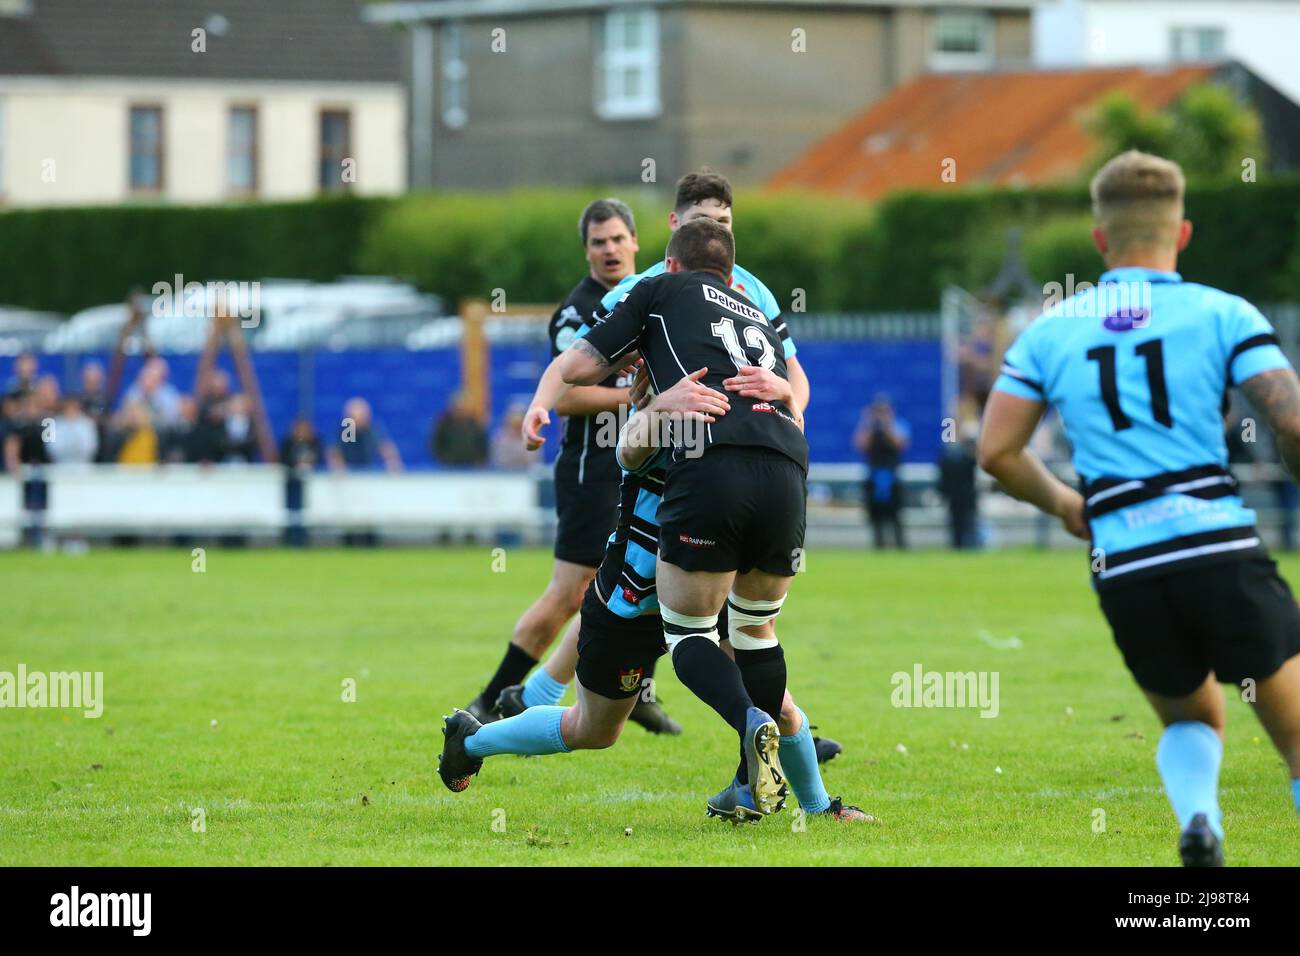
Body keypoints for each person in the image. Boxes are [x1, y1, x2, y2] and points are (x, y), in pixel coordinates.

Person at [979, 150, 1300, 866]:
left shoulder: (1053, 330)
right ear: (1182, 233)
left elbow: (997, 452)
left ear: (1100, 239)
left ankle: (1200, 820)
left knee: (1193, 716)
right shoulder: (1222, 312)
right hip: (1218, 546)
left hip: (1125, 561)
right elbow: (1293, 423)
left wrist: (1067, 504)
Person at [438, 368, 869, 823]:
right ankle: (470, 741)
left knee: (774, 700)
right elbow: (627, 450)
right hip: (631, 598)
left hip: (702, 582)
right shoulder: (659, 414)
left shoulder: (728, 413)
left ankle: (820, 807)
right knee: (595, 728)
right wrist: (656, 405)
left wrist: (783, 394)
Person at [560, 217, 811, 818]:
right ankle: (763, 784)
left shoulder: (659, 289)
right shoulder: (755, 312)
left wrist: (641, 385)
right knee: (755, 631)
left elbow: (575, 369)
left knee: (689, 634)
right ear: (731, 273)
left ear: (669, 264)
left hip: (710, 467)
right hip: (787, 467)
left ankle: (751, 722)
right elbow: (793, 398)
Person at [463, 198, 685, 734]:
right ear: (586, 250)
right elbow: (562, 395)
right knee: (572, 591)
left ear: (636, 241)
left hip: (647, 466)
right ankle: (492, 698)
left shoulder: (655, 295)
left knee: (650, 576)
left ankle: (638, 692)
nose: (609, 250)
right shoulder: (577, 312)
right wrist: (641, 402)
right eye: (597, 242)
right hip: (593, 469)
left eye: (616, 239)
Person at [854, 394, 910, 549]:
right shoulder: (870, 428)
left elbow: (900, 443)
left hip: (892, 477)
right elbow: (860, 444)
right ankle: (879, 546)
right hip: (873, 475)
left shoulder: (899, 425)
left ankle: (900, 546)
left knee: (895, 515)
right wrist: (867, 422)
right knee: (876, 516)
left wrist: (887, 423)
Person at [326, 397, 401, 472]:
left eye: (362, 418)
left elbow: (386, 448)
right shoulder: (344, 431)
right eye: (355, 418)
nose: (359, 422)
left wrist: (393, 465)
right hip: (347, 473)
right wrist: (338, 469)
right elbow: (334, 452)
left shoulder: (372, 430)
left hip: (366, 472)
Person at [938, 421, 979, 549]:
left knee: (968, 523)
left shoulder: (967, 453)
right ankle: (959, 546)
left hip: (966, 494)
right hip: (956, 495)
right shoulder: (951, 455)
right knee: (957, 524)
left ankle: (969, 545)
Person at [430, 391, 488, 466]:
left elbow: (483, 447)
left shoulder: (476, 425)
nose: (461, 409)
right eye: (458, 407)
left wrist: (478, 461)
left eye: (464, 406)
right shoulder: (443, 424)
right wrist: (444, 459)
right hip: (448, 468)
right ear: (452, 407)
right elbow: (435, 445)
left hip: (472, 469)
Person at [488, 405, 539, 470]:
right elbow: (500, 461)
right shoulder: (499, 438)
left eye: (519, 425)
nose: (516, 429)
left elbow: (533, 462)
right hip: (504, 475)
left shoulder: (532, 438)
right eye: (514, 425)